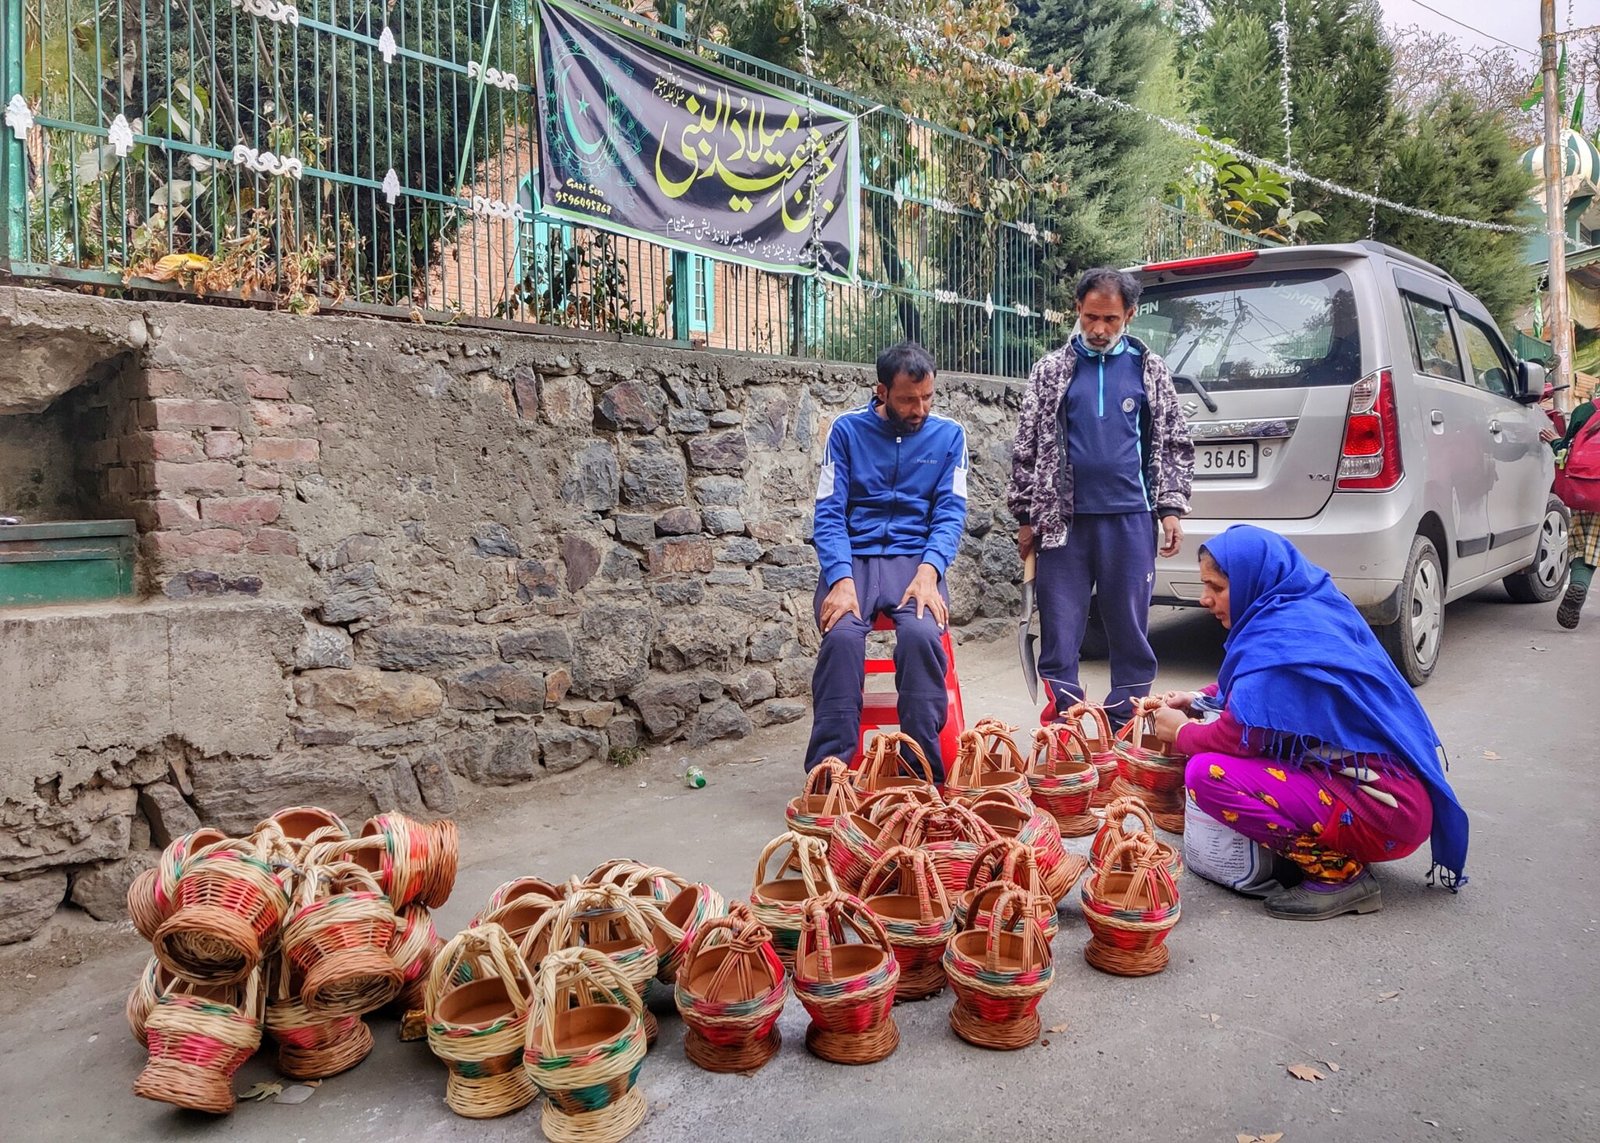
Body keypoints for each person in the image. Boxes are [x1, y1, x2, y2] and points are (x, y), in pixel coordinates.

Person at [1149, 525, 1470, 921]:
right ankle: (1318, 848)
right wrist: (1200, 698)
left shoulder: (1280, 641)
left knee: (1206, 772)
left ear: (1252, 581)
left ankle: (1339, 876)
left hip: (1383, 810)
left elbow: (1238, 736)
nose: (1205, 599)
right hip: (1392, 798)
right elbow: (1259, 693)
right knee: (1236, 760)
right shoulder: (1306, 611)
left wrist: (1180, 732)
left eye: (1216, 587)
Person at [1005, 267, 1193, 723]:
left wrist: (1170, 508)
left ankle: (1124, 726)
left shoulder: (1149, 370)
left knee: (1129, 628)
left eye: (1110, 319)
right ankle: (1065, 728)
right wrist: (1026, 517)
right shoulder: (1051, 371)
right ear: (1077, 310)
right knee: (1061, 628)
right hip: (1061, 522)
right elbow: (1026, 446)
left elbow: (1173, 441)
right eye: (1091, 317)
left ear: (1130, 314)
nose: (1100, 329)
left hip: (1130, 517)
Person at [805, 342, 969, 781]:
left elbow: (951, 513)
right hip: (853, 561)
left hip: (915, 563)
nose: (920, 409)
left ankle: (921, 771)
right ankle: (830, 771)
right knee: (840, 639)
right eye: (907, 399)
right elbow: (829, 512)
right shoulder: (846, 431)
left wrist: (930, 571)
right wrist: (839, 578)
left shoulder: (949, 436)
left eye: (928, 397)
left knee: (920, 636)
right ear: (881, 391)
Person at [1550, 392, 1599, 629]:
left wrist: (1553, 440)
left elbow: (1564, 452)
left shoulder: (1585, 411)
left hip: (1590, 490)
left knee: (1585, 544)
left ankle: (1579, 584)